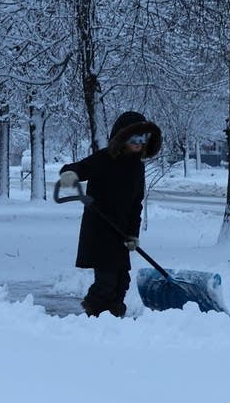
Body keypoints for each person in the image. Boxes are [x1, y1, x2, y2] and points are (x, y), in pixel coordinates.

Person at [56, 110, 162, 317]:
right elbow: (79, 167)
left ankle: (113, 315)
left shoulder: (137, 167)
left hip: (120, 233)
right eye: (135, 138)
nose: (139, 143)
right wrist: (70, 174)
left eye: (144, 139)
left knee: (123, 280)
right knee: (106, 280)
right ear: (122, 138)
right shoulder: (105, 158)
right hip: (100, 230)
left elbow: (136, 205)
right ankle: (93, 314)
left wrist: (133, 234)